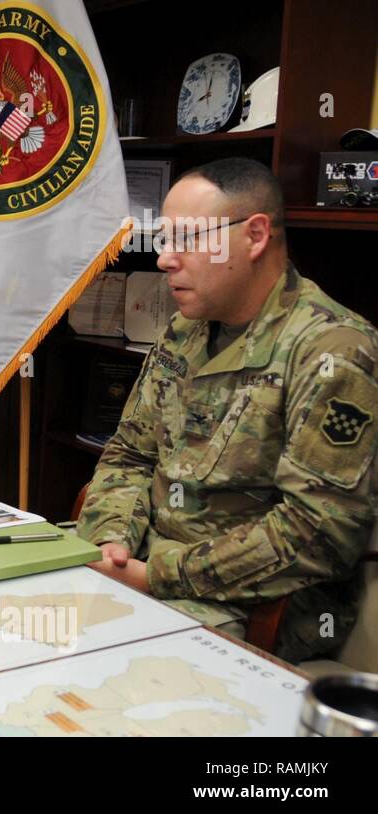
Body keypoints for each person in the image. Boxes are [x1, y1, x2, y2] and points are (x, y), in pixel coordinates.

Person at [77, 158, 378, 662]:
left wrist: (159, 575)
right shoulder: (184, 332)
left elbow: (316, 534)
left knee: (104, 662)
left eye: (187, 240)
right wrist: (113, 540)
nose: (164, 260)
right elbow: (129, 454)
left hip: (256, 601)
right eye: (163, 240)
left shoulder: (333, 350)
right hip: (144, 557)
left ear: (255, 235)